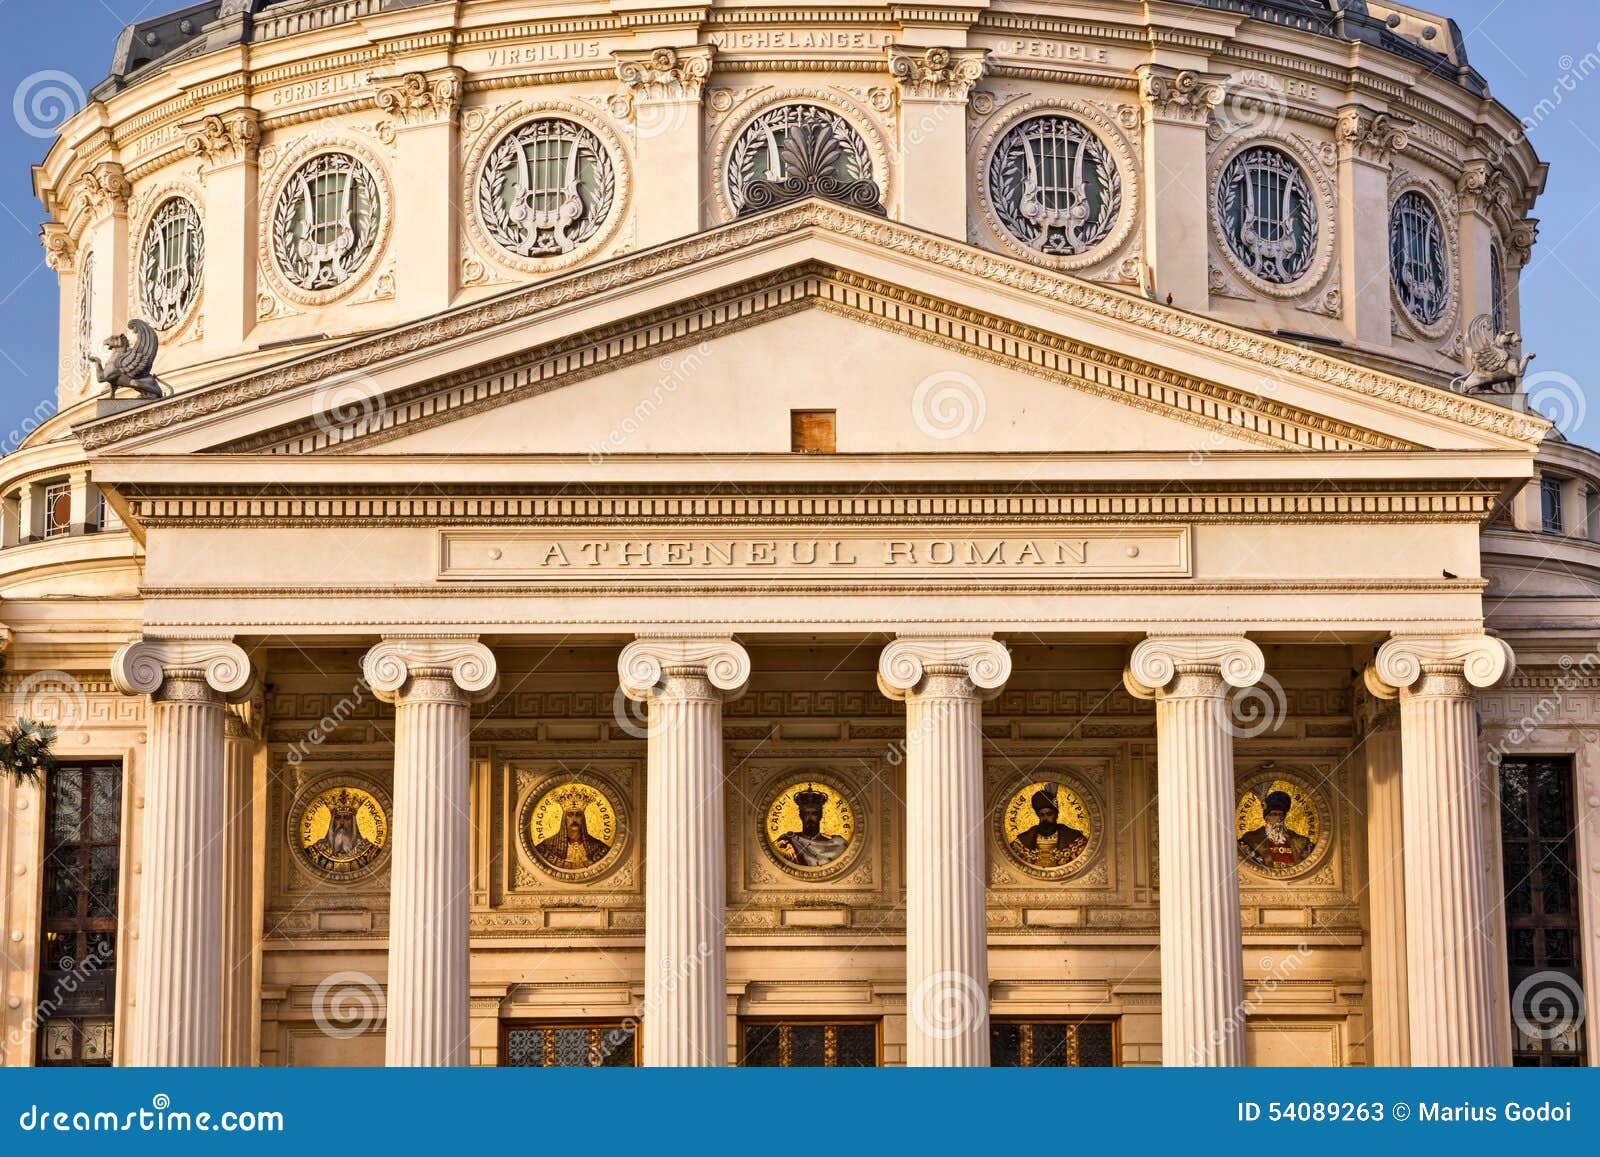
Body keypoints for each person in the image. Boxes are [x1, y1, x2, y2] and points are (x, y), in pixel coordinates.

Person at [1008, 785, 1087, 868]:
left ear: (1056, 815)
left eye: (1049, 814)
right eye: (1041, 815)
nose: (1045, 818)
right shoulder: (1026, 838)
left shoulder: (1072, 836)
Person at [773, 786, 848, 867]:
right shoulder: (787, 843)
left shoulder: (837, 844)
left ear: (820, 815)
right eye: (806, 813)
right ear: (801, 816)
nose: (810, 818)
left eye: (814, 814)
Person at [536, 790, 611, 869]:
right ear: (564, 819)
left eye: (578, 815)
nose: (574, 819)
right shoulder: (547, 846)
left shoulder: (598, 847)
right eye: (570, 815)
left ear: (583, 819)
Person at [1238, 789, 1312, 869]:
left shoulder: (1299, 841)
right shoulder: (1250, 840)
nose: (1278, 818)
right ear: (1266, 818)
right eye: (1274, 814)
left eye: (1281, 815)